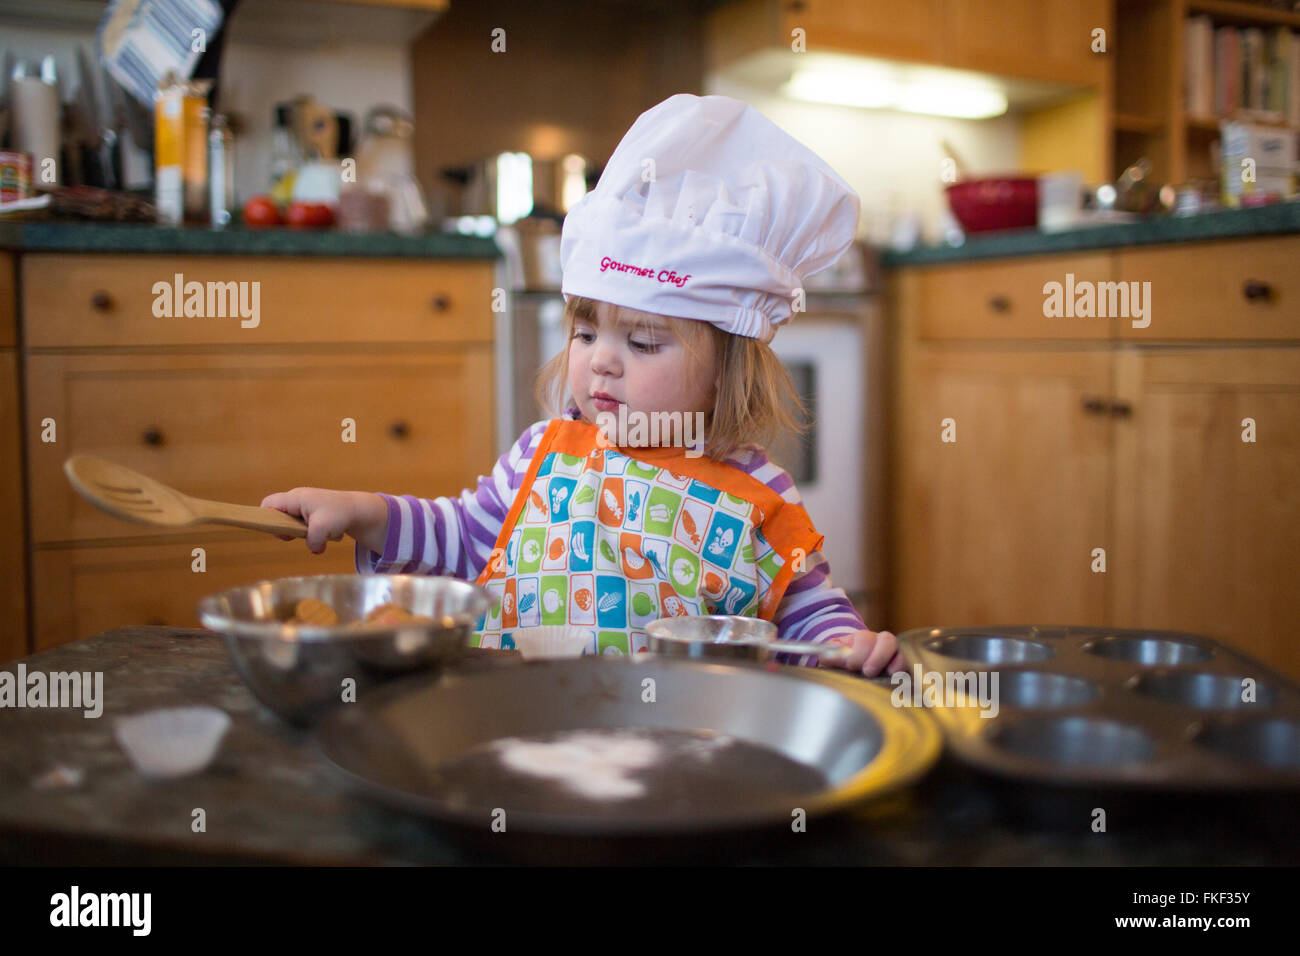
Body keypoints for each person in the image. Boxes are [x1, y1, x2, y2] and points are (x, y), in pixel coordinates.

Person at [261, 94, 904, 677]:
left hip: (679, 753)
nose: (601, 362)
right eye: (586, 333)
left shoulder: (762, 499)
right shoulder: (543, 454)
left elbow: (812, 617)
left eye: (643, 342)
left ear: (726, 368)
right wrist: (363, 512)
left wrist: (852, 648)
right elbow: (459, 539)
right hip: (519, 728)